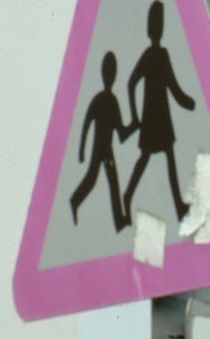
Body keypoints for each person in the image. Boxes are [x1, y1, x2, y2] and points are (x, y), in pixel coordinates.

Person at [122, 0, 196, 228]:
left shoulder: (152, 54)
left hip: (156, 119)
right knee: (151, 159)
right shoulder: (158, 54)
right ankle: (130, 196)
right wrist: (187, 101)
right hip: (157, 119)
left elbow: (134, 83)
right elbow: (172, 87)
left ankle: (175, 204)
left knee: (162, 159)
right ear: (158, 27)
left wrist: (136, 116)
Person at [69, 51, 137, 231]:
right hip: (102, 150)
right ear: (111, 75)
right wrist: (135, 125)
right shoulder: (107, 100)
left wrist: (134, 126)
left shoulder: (105, 99)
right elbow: (88, 123)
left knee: (108, 182)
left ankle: (118, 220)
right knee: (97, 181)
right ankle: (75, 201)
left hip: (104, 149)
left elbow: (119, 133)